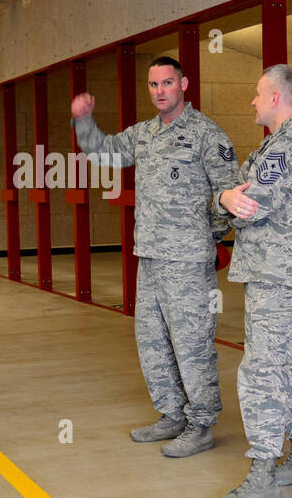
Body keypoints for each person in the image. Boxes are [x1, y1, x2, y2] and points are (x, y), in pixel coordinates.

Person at [70, 56, 239, 458]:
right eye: (153, 84)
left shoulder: (206, 135)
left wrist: (207, 237)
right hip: (149, 257)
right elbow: (105, 153)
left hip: (187, 262)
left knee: (192, 343)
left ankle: (201, 423)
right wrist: (84, 121)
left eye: (167, 83)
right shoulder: (143, 134)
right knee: (152, 340)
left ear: (184, 84)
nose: (160, 91)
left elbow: (231, 195)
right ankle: (172, 413)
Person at [211, 63, 292, 498]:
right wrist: (226, 197)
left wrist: (229, 202)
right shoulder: (274, 145)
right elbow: (234, 189)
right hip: (275, 270)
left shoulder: (287, 147)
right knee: (287, 360)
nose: (253, 102)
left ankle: (262, 478)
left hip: (277, 273)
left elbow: (247, 204)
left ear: (276, 98)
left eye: (258, 94)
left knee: (261, 369)